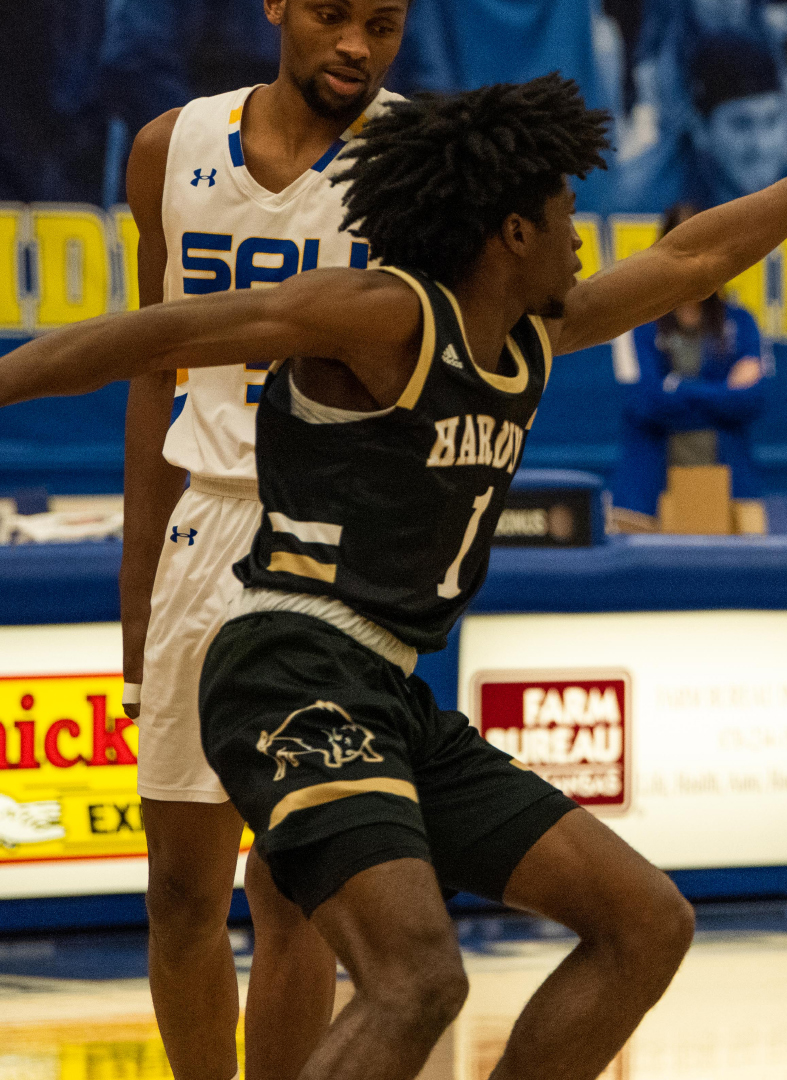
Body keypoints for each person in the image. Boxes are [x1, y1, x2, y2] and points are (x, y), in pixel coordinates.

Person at [1, 23, 787, 1079]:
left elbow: (695, 256)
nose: (585, 230)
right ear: (508, 230)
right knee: (348, 951)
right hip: (277, 631)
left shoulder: (531, 331)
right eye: (565, 210)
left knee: (629, 923)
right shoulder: (380, 314)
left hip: (374, 675)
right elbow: (155, 339)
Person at [118, 2, 408, 1076]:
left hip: (338, 555)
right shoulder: (170, 147)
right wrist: (136, 581)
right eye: (333, 15)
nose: (356, 46)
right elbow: (156, 372)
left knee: (295, 889)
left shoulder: (416, 159)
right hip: (204, 525)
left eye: (383, 24)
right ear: (279, 4)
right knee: (180, 888)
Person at [610, 201, 772, 534]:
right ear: (661, 254)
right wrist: (724, 393)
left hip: (732, 494)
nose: (695, 261)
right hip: (644, 500)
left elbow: (753, 402)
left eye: (705, 248)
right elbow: (647, 403)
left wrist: (677, 388)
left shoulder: (743, 323)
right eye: (682, 249)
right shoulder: (635, 321)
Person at [618, 32, 787, 211]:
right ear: (700, 129)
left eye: (772, 121)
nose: (761, 145)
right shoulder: (650, 206)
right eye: (741, 124)